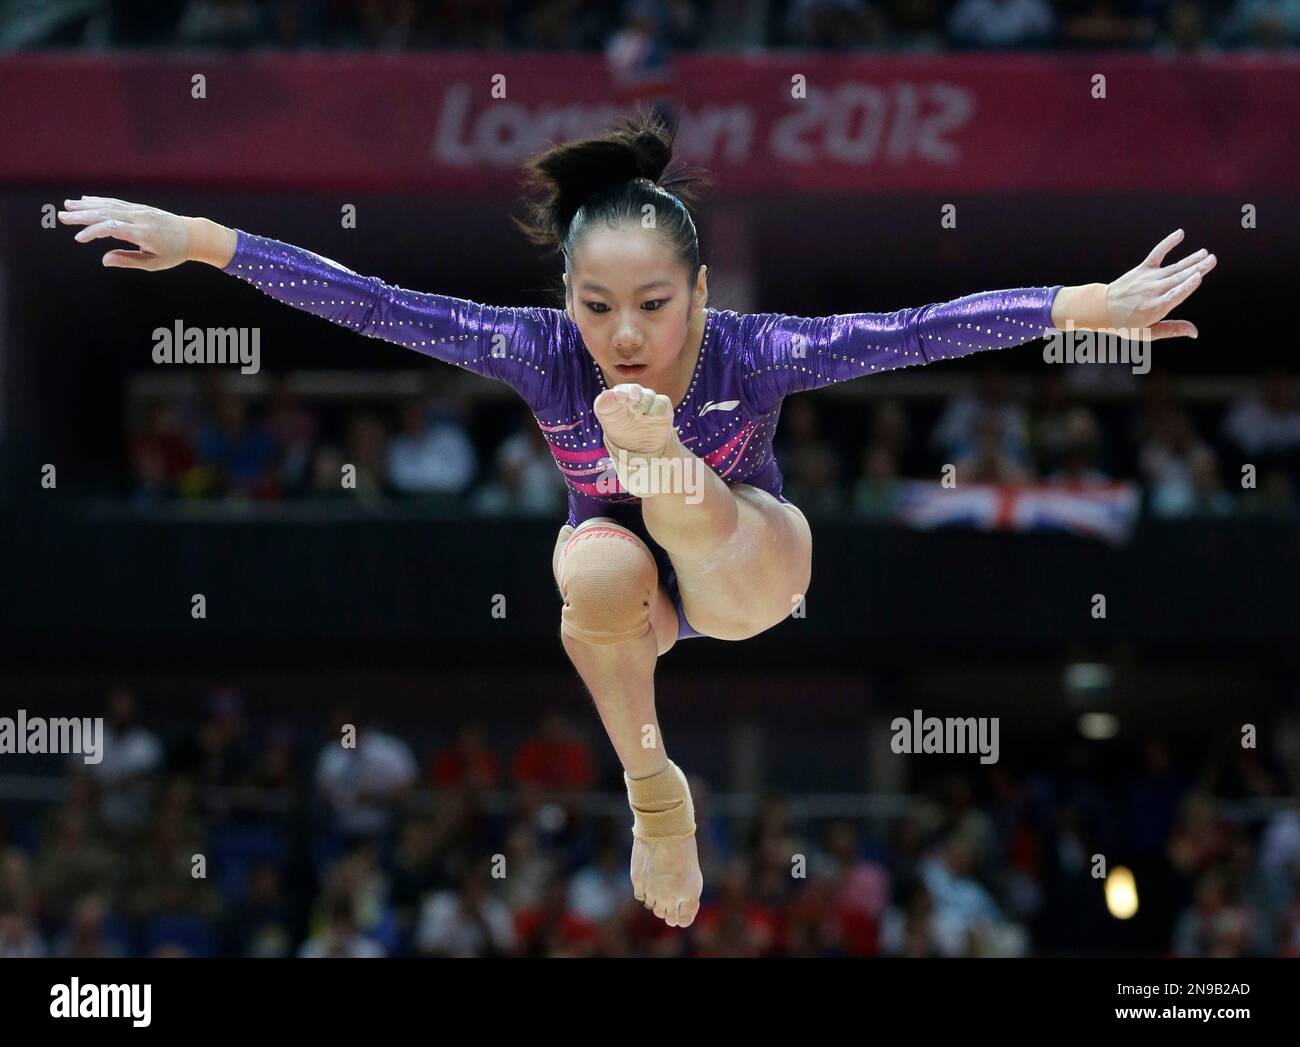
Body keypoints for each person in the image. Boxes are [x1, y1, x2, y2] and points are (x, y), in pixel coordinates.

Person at [60, 110, 1215, 929]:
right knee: (592, 576)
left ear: (703, 295)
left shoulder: (753, 352)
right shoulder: (534, 351)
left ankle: (669, 475)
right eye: (596, 305)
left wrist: (1087, 307)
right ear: (564, 299)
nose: (622, 334)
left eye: (654, 306)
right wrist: (203, 239)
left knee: (696, 519)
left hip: (746, 558)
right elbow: (368, 302)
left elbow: (916, 328)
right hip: (638, 596)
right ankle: (655, 795)